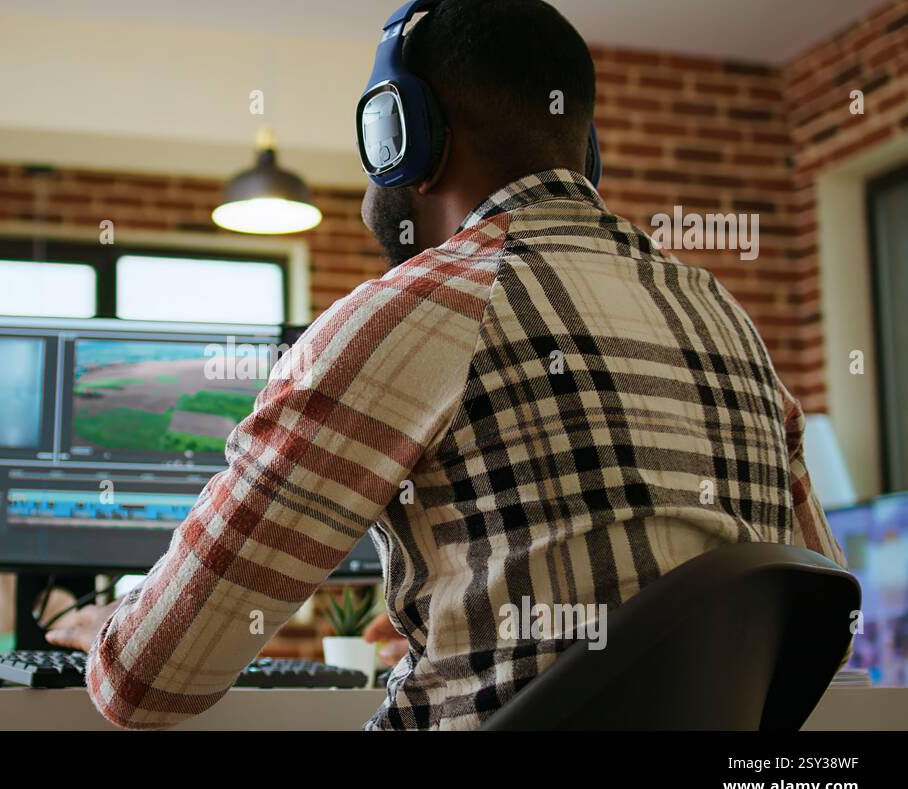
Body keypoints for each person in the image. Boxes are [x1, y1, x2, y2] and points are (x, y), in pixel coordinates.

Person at [46, 0, 847, 729]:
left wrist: (103, 630)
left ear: (402, 135)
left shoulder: (419, 311)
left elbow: (141, 681)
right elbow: (819, 624)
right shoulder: (724, 317)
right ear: (583, 147)